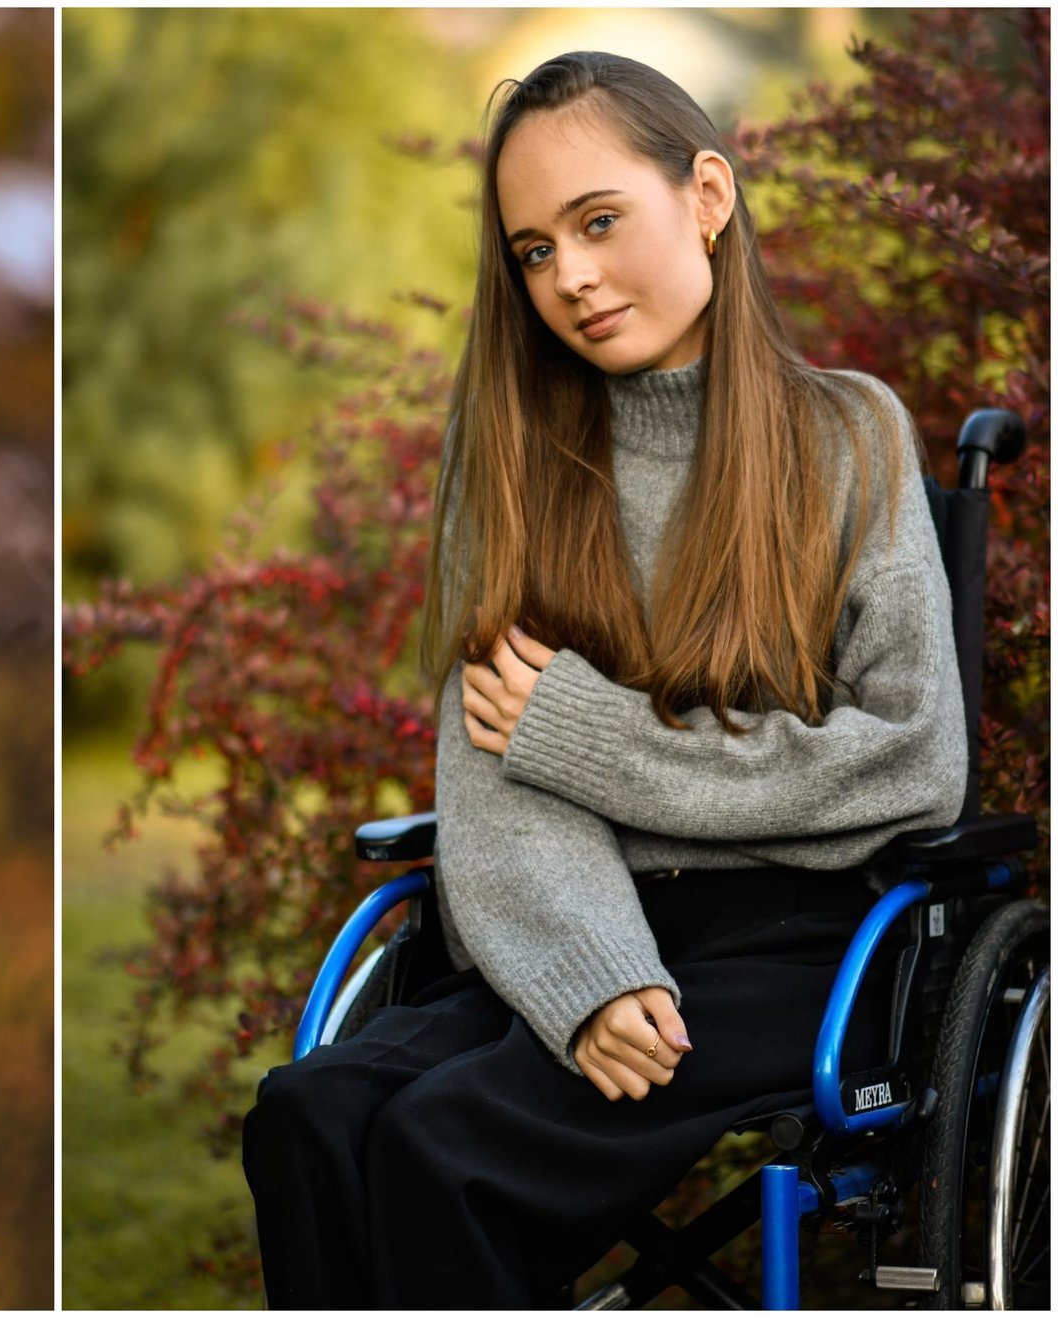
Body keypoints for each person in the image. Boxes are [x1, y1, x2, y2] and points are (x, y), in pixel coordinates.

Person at [240, 52, 966, 1307]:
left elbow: (907, 760)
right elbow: (491, 777)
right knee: (306, 1114)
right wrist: (584, 977)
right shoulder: (513, 459)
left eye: (594, 223)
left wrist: (589, 736)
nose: (566, 278)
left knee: (439, 1151)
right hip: (564, 930)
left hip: (798, 947)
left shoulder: (848, 437)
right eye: (530, 251)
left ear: (704, 195)